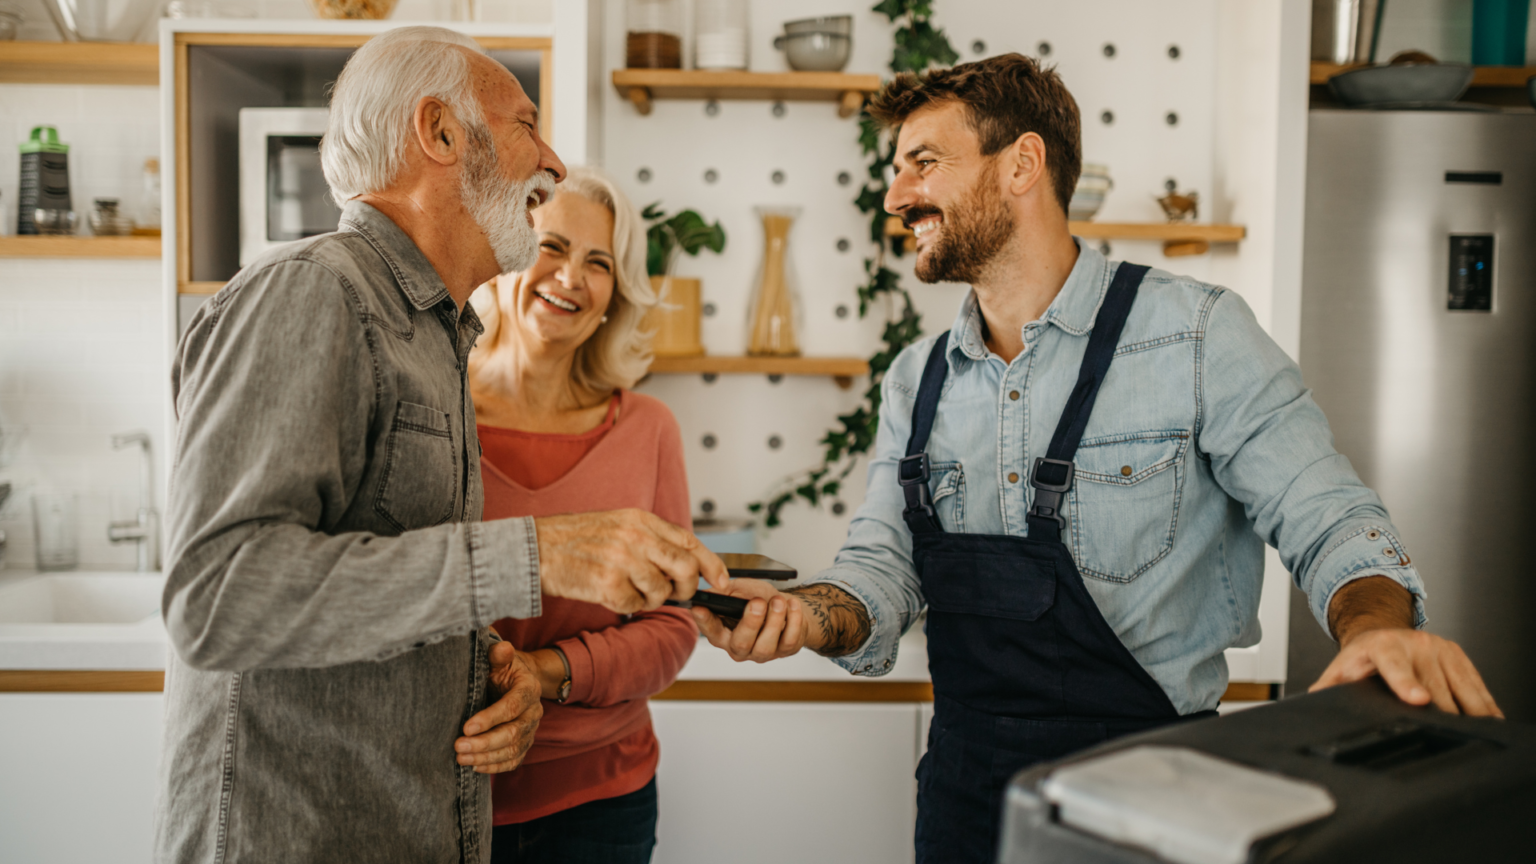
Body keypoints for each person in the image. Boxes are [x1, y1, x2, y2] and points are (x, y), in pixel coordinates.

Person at [689, 54, 1502, 864]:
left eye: (923, 163)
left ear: (1023, 164)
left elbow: (1329, 519)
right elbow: (883, 568)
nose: (896, 196)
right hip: (965, 802)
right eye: (896, 170)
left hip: (1159, 804)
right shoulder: (916, 379)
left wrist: (1377, 631)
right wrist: (804, 615)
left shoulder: (1195, 337)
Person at [154, 27, 726, 864]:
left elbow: (382, 588)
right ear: (442, 132)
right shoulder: (315, 292)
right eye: (527, 124)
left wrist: (500, 674)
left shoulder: (434, 336)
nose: (554, 161)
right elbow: (219, 598)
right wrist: (536, 555)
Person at [466, 166, 694, 863]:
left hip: (604, 798)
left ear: (613, 297)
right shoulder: (434, 413)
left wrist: (543, 672)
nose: (571, 277)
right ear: (505, 254)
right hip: (445, 785)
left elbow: (672, 625)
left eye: (599, 263)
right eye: (552, 247)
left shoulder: (648, 428)